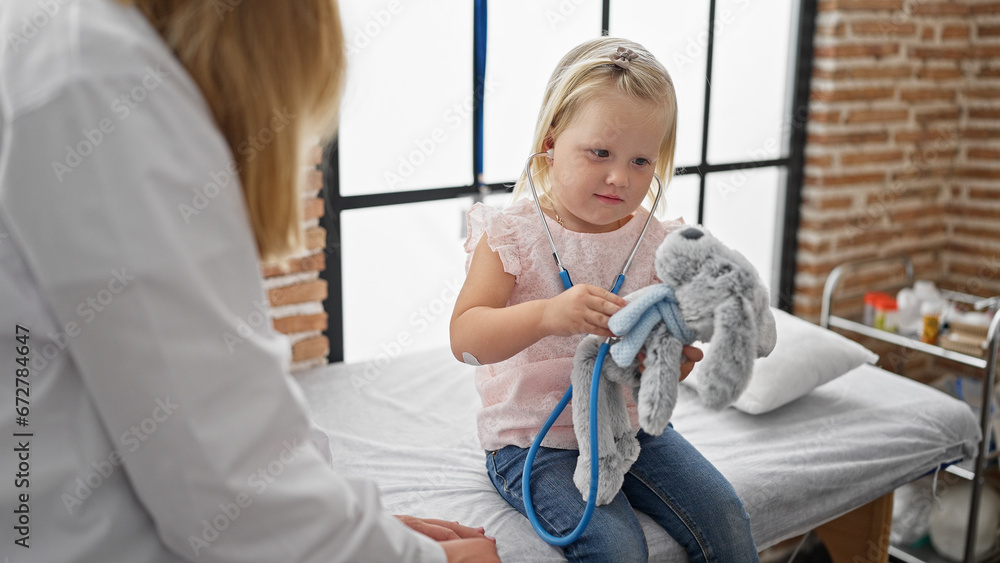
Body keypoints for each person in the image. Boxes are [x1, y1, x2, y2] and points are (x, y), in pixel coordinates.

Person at [0, 1, 499, 561]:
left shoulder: (71, 49)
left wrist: (351, 522)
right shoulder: (98, 80)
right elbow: (228, 483)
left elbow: (222, 399)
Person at [450, 37, 759, 562]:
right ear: (550, 143)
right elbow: (466, 340)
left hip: (628, 432)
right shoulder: (510, 234)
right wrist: (549, 315)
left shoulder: (658, 243)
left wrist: (667, 364)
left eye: (642, 160)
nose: (621, 177)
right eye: (600, 153)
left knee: (724, 514)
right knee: (617, 547)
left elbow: (654, 349)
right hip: (533, 444)